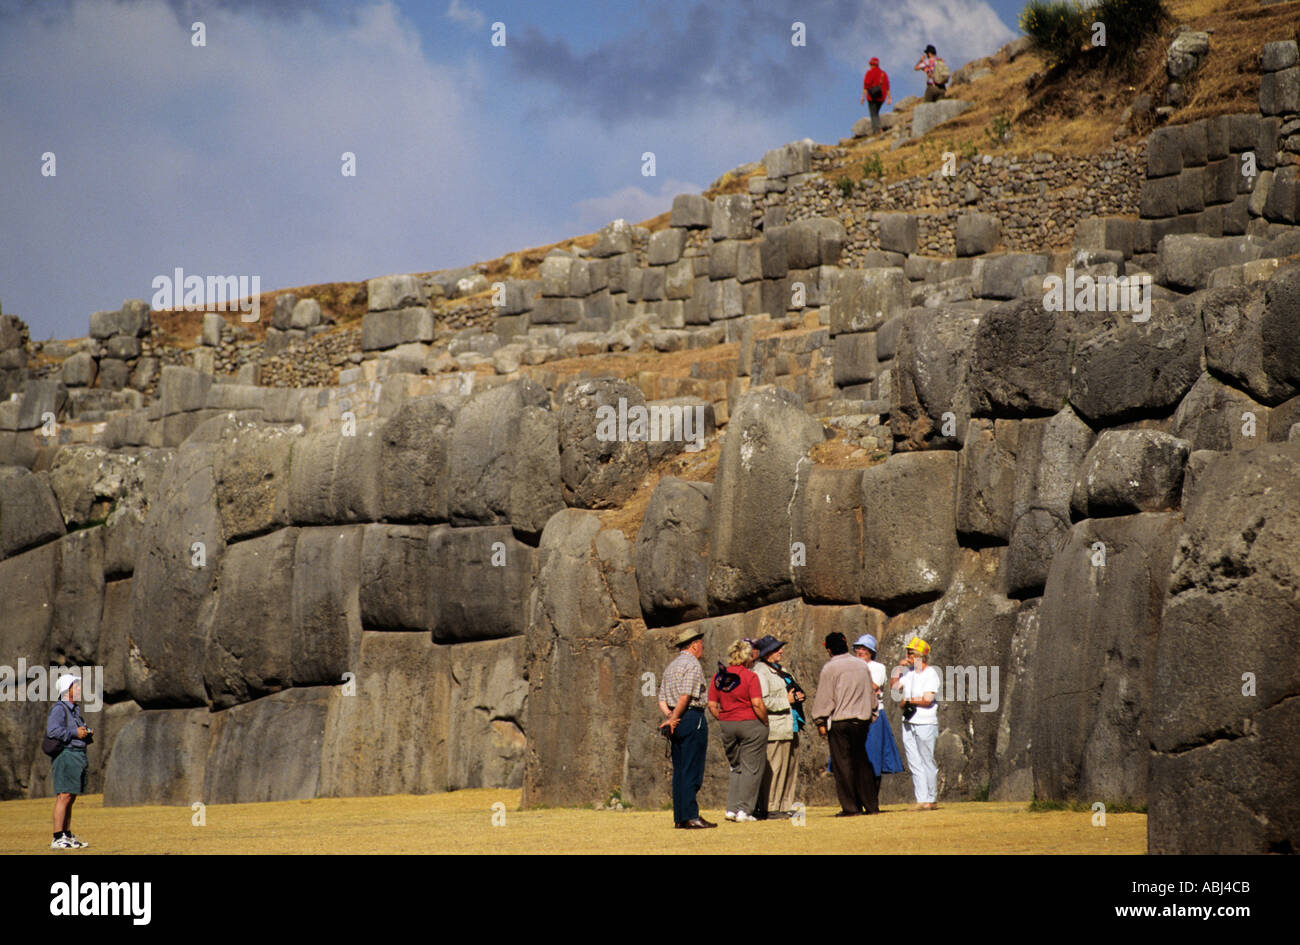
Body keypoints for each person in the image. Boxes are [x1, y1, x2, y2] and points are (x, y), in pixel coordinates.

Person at [810, 631, 878, 816]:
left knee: (843, 765)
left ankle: (851, 808)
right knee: (862, 762)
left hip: (840, 721)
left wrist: (819, 720)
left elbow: (825, 697)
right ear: (846, 645)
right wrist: (872, 712)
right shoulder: (861, 665)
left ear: (829, 650)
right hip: (861, 720)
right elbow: (870, 692)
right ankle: (871, 806)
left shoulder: (830, 668)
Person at [658, 629, 715, 828]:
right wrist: (675, 717)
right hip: (691, 717)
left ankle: (680, 818)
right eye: (701, 644)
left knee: (680, 769)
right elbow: (685, 697)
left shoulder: (671, 666)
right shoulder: (692, 664)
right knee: (692, 768)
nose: (703, 648)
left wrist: (670, 718)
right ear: (693, 645)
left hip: (675, 719)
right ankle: (691, 816)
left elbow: (662, 699)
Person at [707, 638, 768, 823]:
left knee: (735, 767)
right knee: (752, 768)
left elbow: (711, 704)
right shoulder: (750, 676)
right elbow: (757, 703)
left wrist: (724, 718)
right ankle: (745, 810)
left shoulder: (719, 677)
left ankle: (731, 809)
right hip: (750, 722)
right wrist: (765, 720)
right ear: (747, 656)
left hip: (727, 723)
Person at [751, 635, 802, 820]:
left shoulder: (781, 670)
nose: (781, 651)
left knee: (789, 768)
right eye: (776, 649)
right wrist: (786, 700)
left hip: (790, 725)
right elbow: (762, 701)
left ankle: (785, 805)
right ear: (766, 653)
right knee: (774, 769)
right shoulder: (760, 672)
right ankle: (770, 807)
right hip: (775, 728)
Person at [892, 636, 941, 810]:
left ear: (919, 655)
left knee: (927, 759)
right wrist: (899, 667)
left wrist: (908, 701)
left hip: (925, 722)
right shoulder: (910, 674)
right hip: (909, 721)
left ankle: (931, 798)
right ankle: (921, 799)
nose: (908, 655)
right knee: (914, 760)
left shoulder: (931, 673)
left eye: (910, 653)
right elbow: (894, 686)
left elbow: (928, 699)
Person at [853, 634, 905, 799]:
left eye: (864, 648)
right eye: (858, 648)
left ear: (871, 652)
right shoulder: (851, 666)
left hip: (874, 714)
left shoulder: (877, 667)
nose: (860, 651)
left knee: (874, 755)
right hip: (854, 713)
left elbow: (873, 686)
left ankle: (871, 798)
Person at [47, 673, 92, 850]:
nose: (80, 689)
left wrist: (85, 732)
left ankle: (66, 834)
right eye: (76, 686)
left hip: (77, 754)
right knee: (64, 796)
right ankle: (57, 837)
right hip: (66, 754)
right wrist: (75, 733)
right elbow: (53, 731)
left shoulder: (75, 710)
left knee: (70, 796)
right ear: (67, 689)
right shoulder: (59, 708)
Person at [859, 56, 892, 134]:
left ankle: (877, 131)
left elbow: (866, 86)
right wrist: (889, 98)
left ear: (871, 64)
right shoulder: (884, 74)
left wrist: (862, 97)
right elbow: (887, 87)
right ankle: (878, 128)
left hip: (872, 97)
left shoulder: (869, 73)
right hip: (881, 98)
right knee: (876, 112)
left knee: (873, 114)